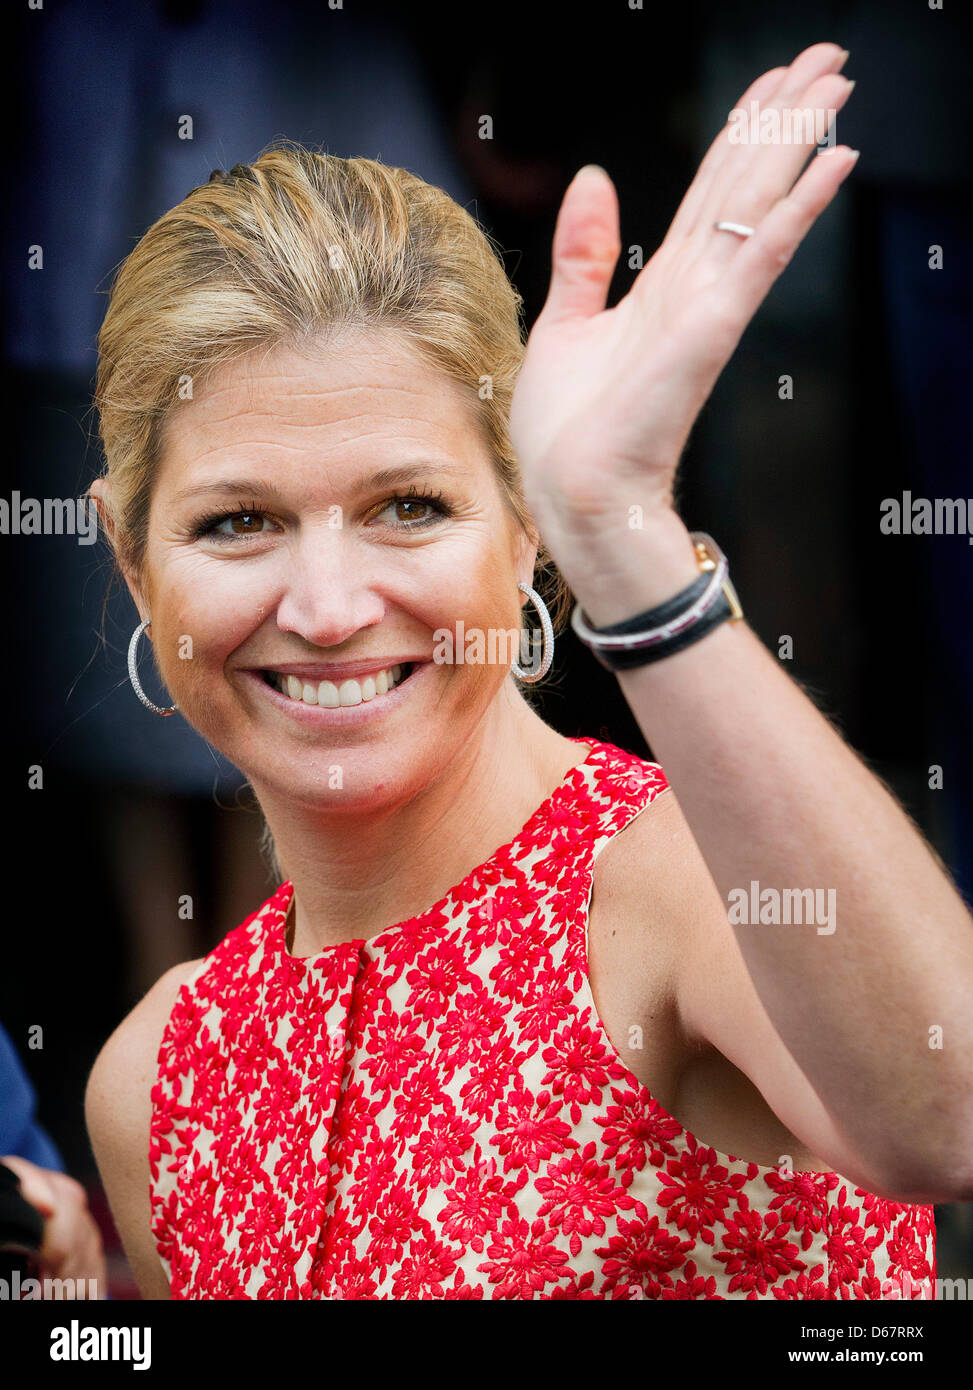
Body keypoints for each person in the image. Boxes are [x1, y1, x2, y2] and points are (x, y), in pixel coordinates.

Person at [84, 43, 972, 1301]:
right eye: (238, 523)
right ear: (133, 566)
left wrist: (628, 533)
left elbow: (947, 1115)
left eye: (408, 506)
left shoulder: (672, 885)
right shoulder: (155, 1076)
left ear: (524, 529)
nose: (329, 609)